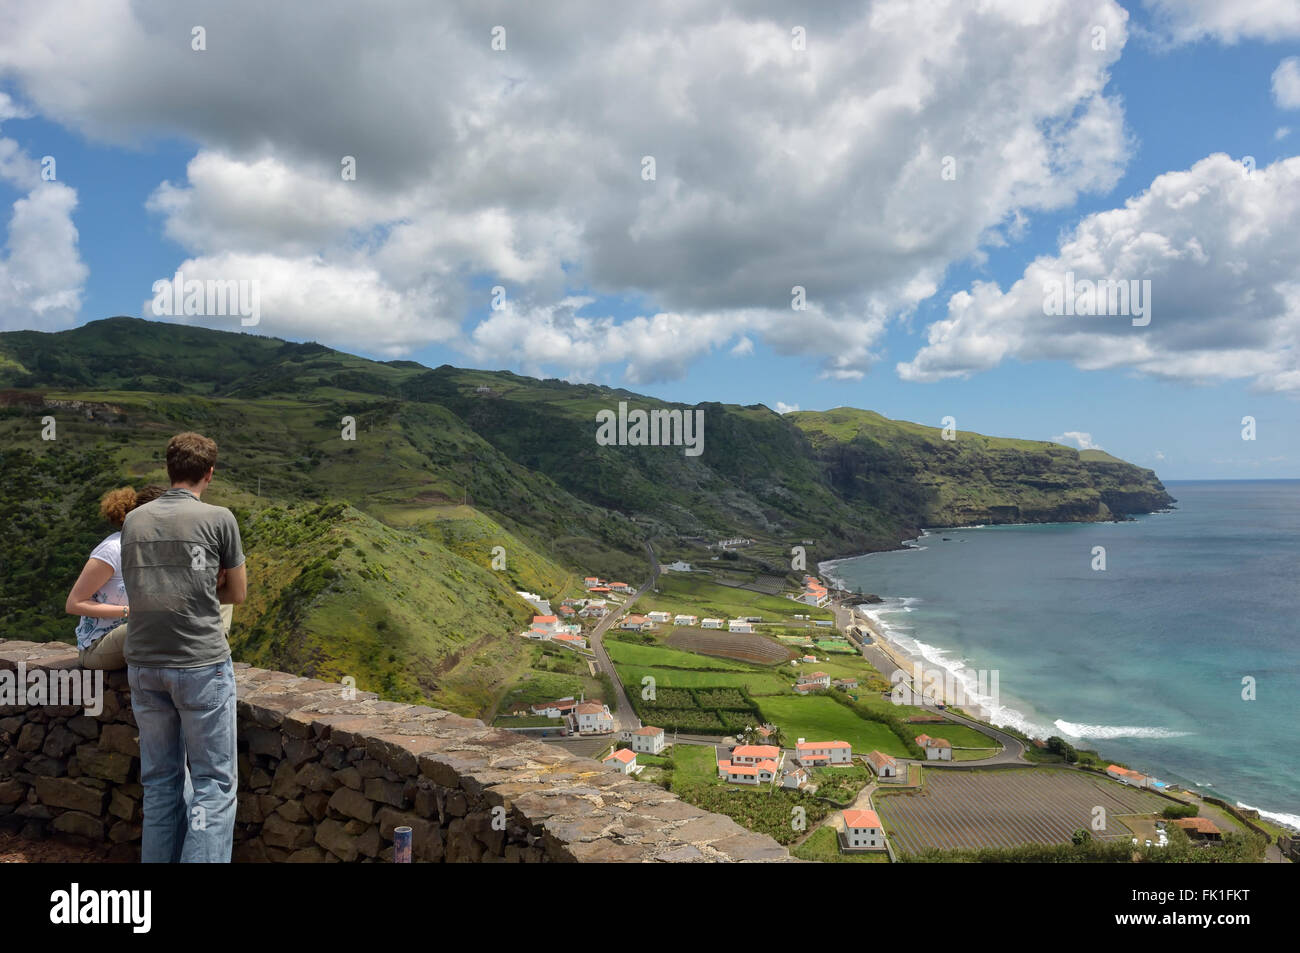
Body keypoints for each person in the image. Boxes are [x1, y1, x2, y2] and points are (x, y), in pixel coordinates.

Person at [121, 432, 247, 863]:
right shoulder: (219, 518)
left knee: (159, 783)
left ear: (168, 469)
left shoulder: (134, 520)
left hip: (142, 661)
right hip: (199, 662)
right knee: (213, 784)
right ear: (209, 474)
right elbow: (237, 593)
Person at [66, 484, 167, 670]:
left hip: (138, 638)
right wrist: (129, 611)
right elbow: (74, 603)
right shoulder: (113, 550)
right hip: (98, 646)